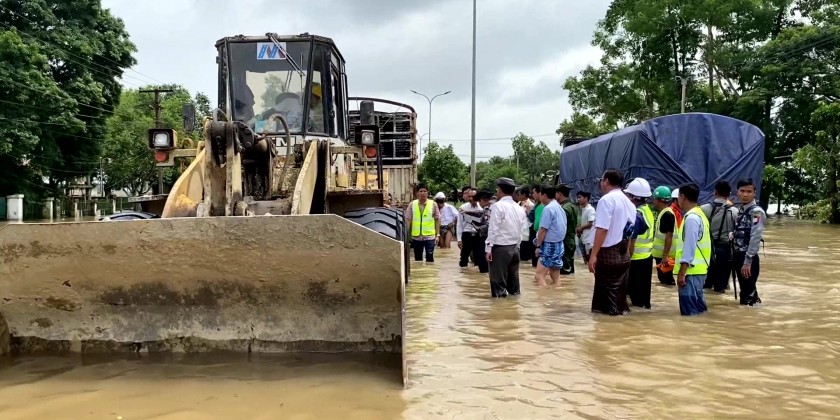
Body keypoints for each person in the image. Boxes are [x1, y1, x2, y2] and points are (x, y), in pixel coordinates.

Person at [588, 169, 636, 316]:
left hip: (608, 253)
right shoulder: (629, 203)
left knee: (608, 301)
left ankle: (610, 331)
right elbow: (629, 230)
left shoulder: (607, 200)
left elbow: (602, 229)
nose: (601, 183)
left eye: (602, 179)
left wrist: (593, 255)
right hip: (623, 253)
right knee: (618, 295)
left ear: (607, 181)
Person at [485, 178, 528, 298]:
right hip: (515, 249)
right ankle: (513, 311)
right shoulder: (519, 208)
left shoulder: (498, 206)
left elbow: (493, 229)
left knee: (498, 285)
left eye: (497, 189)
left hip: (500, 249)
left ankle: (499, 312)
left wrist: (488, 248)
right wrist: (517, 247)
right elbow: (522, 230)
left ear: (500, 190)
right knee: (514, 287)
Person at [675, 183, 711, 316]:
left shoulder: (691, 218)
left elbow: (689, 246)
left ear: (682, 197)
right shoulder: (700, 215)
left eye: (678, 196)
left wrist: (682, 273)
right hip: (699, 271)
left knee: (689, 314)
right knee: (699, 311)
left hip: (691, 272)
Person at [700, 181, 739, 292]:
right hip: (725, 250)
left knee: (705, 285)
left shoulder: (703, 209)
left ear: (715, 192)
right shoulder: (735, 212)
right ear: (729, 193)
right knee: (720, 287)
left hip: (706, 250)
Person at [733, 178, 766, 306]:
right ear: (738, 192)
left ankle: (750, 320)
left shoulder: (756, 212)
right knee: (747, 290)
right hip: (738, 255)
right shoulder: (741, 210)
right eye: (742, 191)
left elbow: (755, 237)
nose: (745, 194)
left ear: (754, 193)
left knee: (747, 296)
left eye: (749, 191)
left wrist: (747, 261)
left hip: (748, 257)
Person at [623, 178, 654, 309]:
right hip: (647, 258)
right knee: (643, 297)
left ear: (632, 197)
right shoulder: (647, 210)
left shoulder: (636, 214)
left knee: (635, 299)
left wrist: (626, 259)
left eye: (627, 195)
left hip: (636, 260)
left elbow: (632, 241)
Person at [534, 185, 566, 287]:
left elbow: (543, 229)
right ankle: (555, 299)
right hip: (559, 244)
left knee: (539, 276)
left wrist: (538, 246)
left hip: (549, 245)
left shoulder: (548, 208)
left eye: (540, 195)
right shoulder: (559, 207)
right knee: (555, 276)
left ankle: (543, 300)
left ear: (544, 195)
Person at [405, 183, 440, 262]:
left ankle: (430, 273)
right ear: (417, 193)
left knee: (430, 257)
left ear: (428, 192)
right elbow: (408, 220)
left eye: (425, 191)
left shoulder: (433, 204)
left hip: (430, 236)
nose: (423, 193)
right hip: (416, 236)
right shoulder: (412, 204)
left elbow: (437, 219)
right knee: (417, 258)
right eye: (421, 191)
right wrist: (406, 235)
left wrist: (437, 234)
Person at [651, 186, 677, 286]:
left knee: (666, 281)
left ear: (658, 200)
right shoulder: (665, 212)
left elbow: (669, 236)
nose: (653, 201)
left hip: (665, 256)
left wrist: (665, 256)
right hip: (663, 255)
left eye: (654, 199)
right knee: (664, 280)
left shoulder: (667, 214)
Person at [457, 188, 487, 272]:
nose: (470, 198)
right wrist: (459, 240)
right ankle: (464, 273)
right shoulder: (463, 208)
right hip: (467, 234)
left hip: (479, 235)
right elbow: (459, 224)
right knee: (464, 257)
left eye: (473, 196)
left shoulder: (483, 208)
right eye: (469, 196)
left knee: (479, 257)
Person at [555, 185, 579, 275]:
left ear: (559, 194)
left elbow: (559, 226)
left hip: (565, 241)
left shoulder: (563, 208)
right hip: (571, 240)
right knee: (570, 270)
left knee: (564, 271)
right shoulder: (572, 206)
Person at [516, 187, 536, 262]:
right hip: (520, 228)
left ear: (524, 195)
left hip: (527, 228)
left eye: (519, 194)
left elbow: (530, 219)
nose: (518, 196)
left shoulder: (530, 204)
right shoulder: (519, 203)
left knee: (526, 247)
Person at [576, 191, 595, 264]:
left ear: (586, 198)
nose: (578, 199)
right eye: (577, 197)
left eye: (580, 197)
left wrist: (581, 228)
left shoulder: (590, 209)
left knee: (590, 259)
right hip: (583, 237)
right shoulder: (583, 210)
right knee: (586, 261)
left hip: (589, 238)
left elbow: (592, 223)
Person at [529, 185, 545, 268]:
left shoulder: (546, 207)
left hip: (543, 238)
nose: (533, 195)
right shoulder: (537, 206)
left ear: (539, 193)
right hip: (537, 236)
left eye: (534, 193)